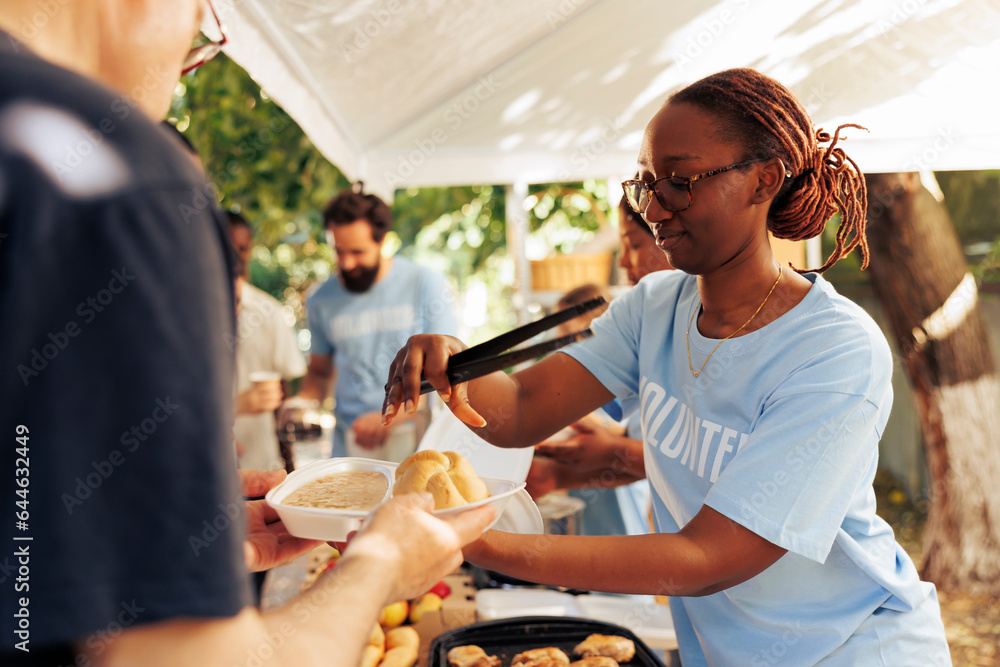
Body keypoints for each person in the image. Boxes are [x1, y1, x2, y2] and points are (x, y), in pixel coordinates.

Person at [384, 68, 951, 664]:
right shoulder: (655, 307)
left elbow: (708, 558)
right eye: (644, 183)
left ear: (765, 181)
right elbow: (521, 409)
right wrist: (454, 361)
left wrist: (475, 541)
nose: (653, 208)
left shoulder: (834, 352)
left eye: (680, 182)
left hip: (854, 649)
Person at [0, 3, 493, 666]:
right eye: (204, 22)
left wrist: (147, 532)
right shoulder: (112, 172)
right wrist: (381, 563)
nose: (187, 63)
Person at [297, 187, 458, 458]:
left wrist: (391, 415)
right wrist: (301, 403)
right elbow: (320, 372)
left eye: (358, 252)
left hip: (416, 439)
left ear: (382, 241)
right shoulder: (321, 299)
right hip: (350, 444)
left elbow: (446, 368)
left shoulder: (424, 284)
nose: (346, 263)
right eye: (339, 251)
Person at [228, 211, 308, 471]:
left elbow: (283, 391)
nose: (235, 258)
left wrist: (289, 460)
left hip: (261, 462)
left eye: (242, 249)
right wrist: (237, 405)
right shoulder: (182, 316)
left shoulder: (267, 311)